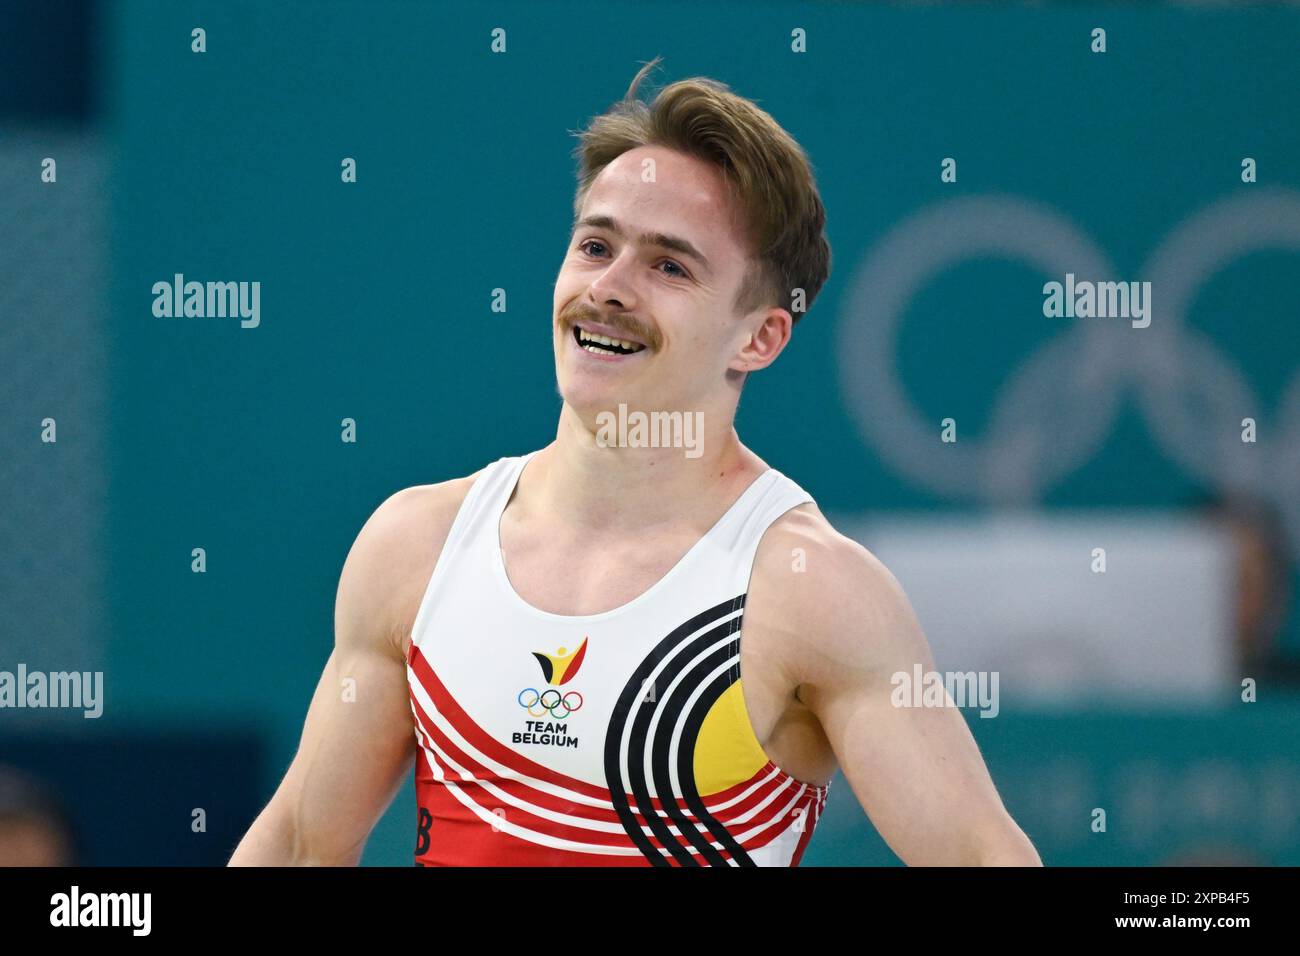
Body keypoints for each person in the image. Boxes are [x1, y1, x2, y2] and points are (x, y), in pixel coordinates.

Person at [230, 58, 1040, 867]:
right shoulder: (417, 545)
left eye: (669, 266)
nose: (609, 288)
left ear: (759, 336)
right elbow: (301, 844)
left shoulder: (806, 590)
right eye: (594, 246)